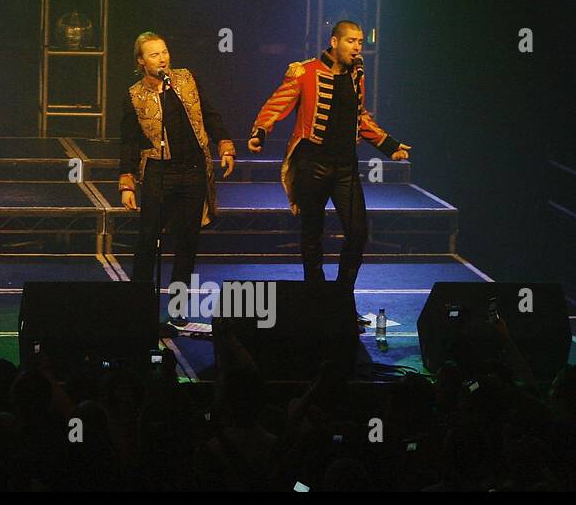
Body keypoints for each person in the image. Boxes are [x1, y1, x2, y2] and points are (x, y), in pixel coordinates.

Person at [247, 20, 410, 304]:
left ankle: (342, 299)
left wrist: (389, 145)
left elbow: (361, 117)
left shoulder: (356, 75)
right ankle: (316, 297)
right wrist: (260, 131)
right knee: (312, 233)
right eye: (351, 41)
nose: (357, 48)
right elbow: (277, 104)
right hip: (313, 165)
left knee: (358, 233)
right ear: (335, 42)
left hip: (346, 168)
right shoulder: (305, 72)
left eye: (360, 42)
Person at [117, 32, 235, 320]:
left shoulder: (186, 79)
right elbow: (129, 141)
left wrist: (224, 143)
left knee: (187, 240)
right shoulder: (134, 95)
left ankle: (178, 307)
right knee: (148, 239)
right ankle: (138, 304)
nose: (162, 58)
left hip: (193, 169)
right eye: (154, 54)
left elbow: (209, 113)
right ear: (141, 61)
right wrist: (127, 182)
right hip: (159, 171)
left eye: (164, 52)